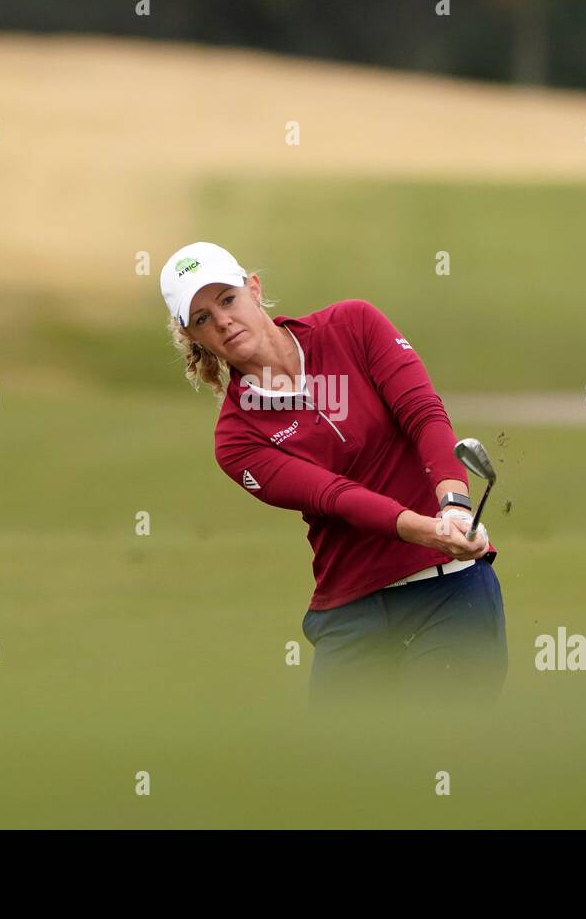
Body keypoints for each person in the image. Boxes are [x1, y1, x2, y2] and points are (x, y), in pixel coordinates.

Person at [160, 241, 508, 709]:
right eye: (201, 317)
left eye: (227, 299)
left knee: (442, 755)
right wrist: (425, 530)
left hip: (450, 592)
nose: (222, 320)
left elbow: (423, 414)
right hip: (351, 611)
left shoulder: (352, 325)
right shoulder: (237, 437)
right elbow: (333, 496)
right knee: (345, 772)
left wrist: (455, 507)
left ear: (254, 289)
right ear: (193, 337)